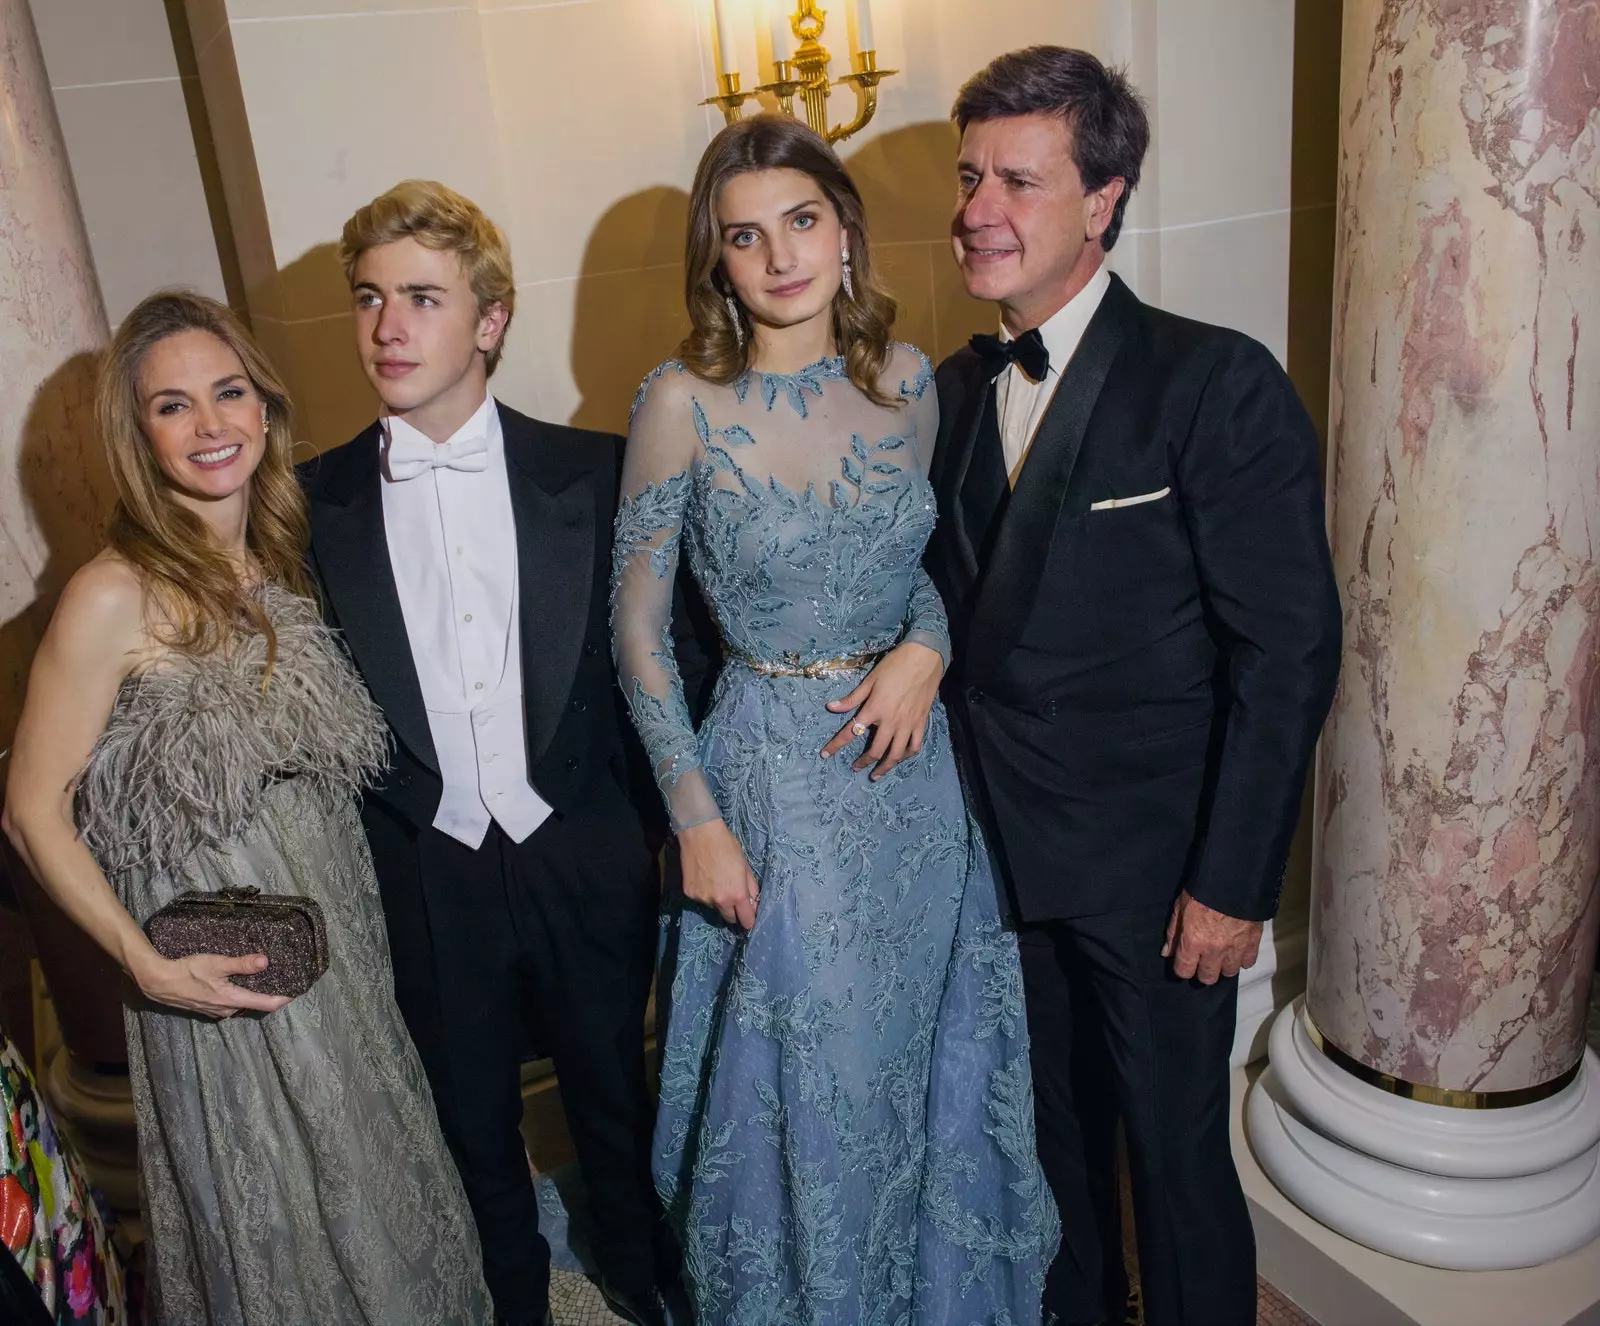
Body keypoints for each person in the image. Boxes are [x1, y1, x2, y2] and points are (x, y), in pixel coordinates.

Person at [613, 113, 1060, 1324]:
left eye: (801, 221)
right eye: (744, 236)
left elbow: (913, 561)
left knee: (924, 1055)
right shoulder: (681, 402)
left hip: (910, 784)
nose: (779, 257)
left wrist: (928, 643)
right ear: (717, 260)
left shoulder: (908, 382)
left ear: (846, 233)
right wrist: (694, 818)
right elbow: (638, 632)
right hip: (770, 774)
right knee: (817, 1077)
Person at [927, 47, 1344, 1326]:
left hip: (1161, 882)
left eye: (1019, 179)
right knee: (1051, 1155)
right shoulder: (941, 394)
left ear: (1103, 198)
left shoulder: (1211, 381)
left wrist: (1230, 885)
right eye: (968, 175)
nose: (977, 208)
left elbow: (1290, 652)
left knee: (1170, 1167)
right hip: (997, 867)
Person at [1, 290, 489, 1324]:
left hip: (335, 928)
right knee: (275, 1200)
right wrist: (141, 962)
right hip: (211, 954)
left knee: (371, 1164)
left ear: (265, 409)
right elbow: (29, 809)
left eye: (228, 393)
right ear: (138, 439)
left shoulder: (281, 559)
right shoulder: (111, 592)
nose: (210, 424)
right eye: (172, 407)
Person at [301, 180, 699, 1326]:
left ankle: (643, 1276)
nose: (388, 328)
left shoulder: (598, 465)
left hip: (580, 839)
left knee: (616, 1097)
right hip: (426, 867)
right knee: (467, 1119)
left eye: (422, 299)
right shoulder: (307, 504)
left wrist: (673, 828)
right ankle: (513, 1300)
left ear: (490, 321)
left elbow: (670, 657)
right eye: (370, 299)